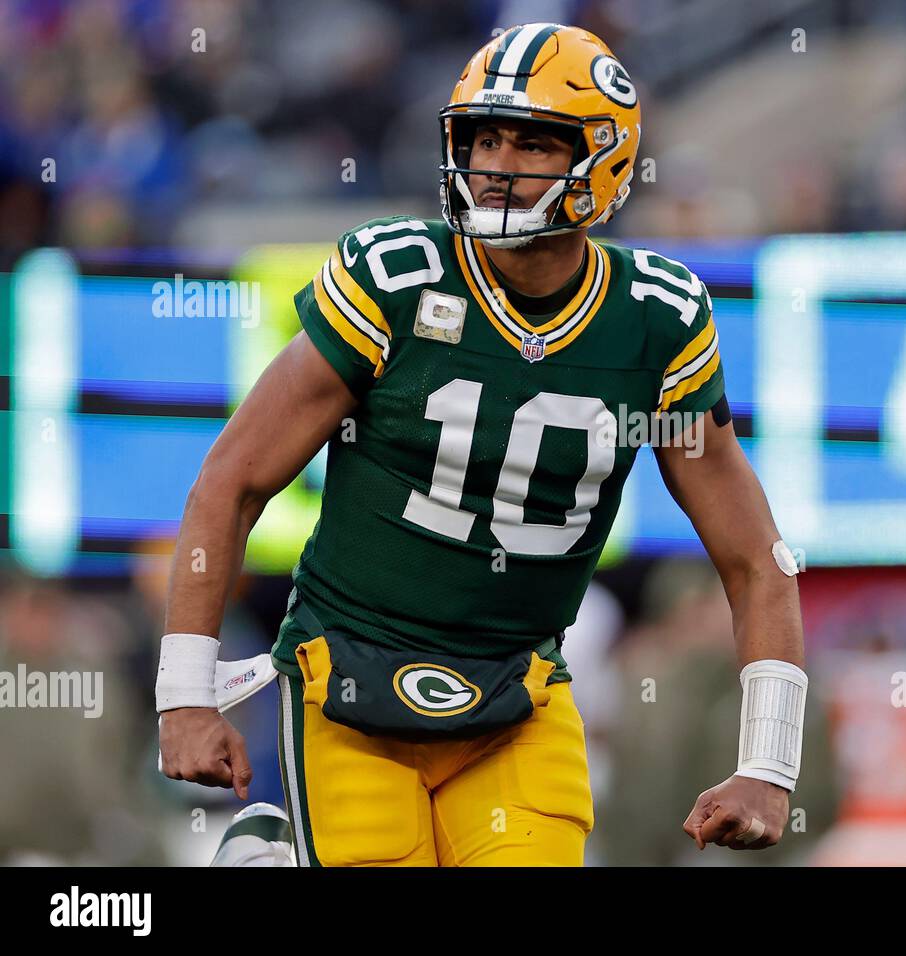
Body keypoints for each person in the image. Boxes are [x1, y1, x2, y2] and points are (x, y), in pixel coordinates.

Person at [156, 23, 808, 867]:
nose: (498, 162)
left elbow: (757, 559)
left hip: (517, 698)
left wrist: (768, 763)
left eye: (533, 143)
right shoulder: (396, 280)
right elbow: (233, 480)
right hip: (345, 684)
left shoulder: (655, 323)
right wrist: (184, 694)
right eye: (484, 136)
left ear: (603, 161)